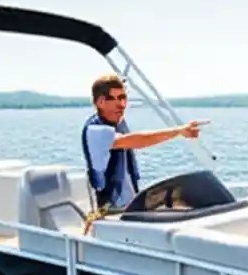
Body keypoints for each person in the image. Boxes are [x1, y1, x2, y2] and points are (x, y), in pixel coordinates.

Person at [81, 74, 205, 209]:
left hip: (129, 206)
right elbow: (140, 140)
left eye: (123, 98)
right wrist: (179, 131)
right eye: (114, 99)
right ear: (100, 102)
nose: (122, 105)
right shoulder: (95, 131)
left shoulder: (118, 123)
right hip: (110, 210)